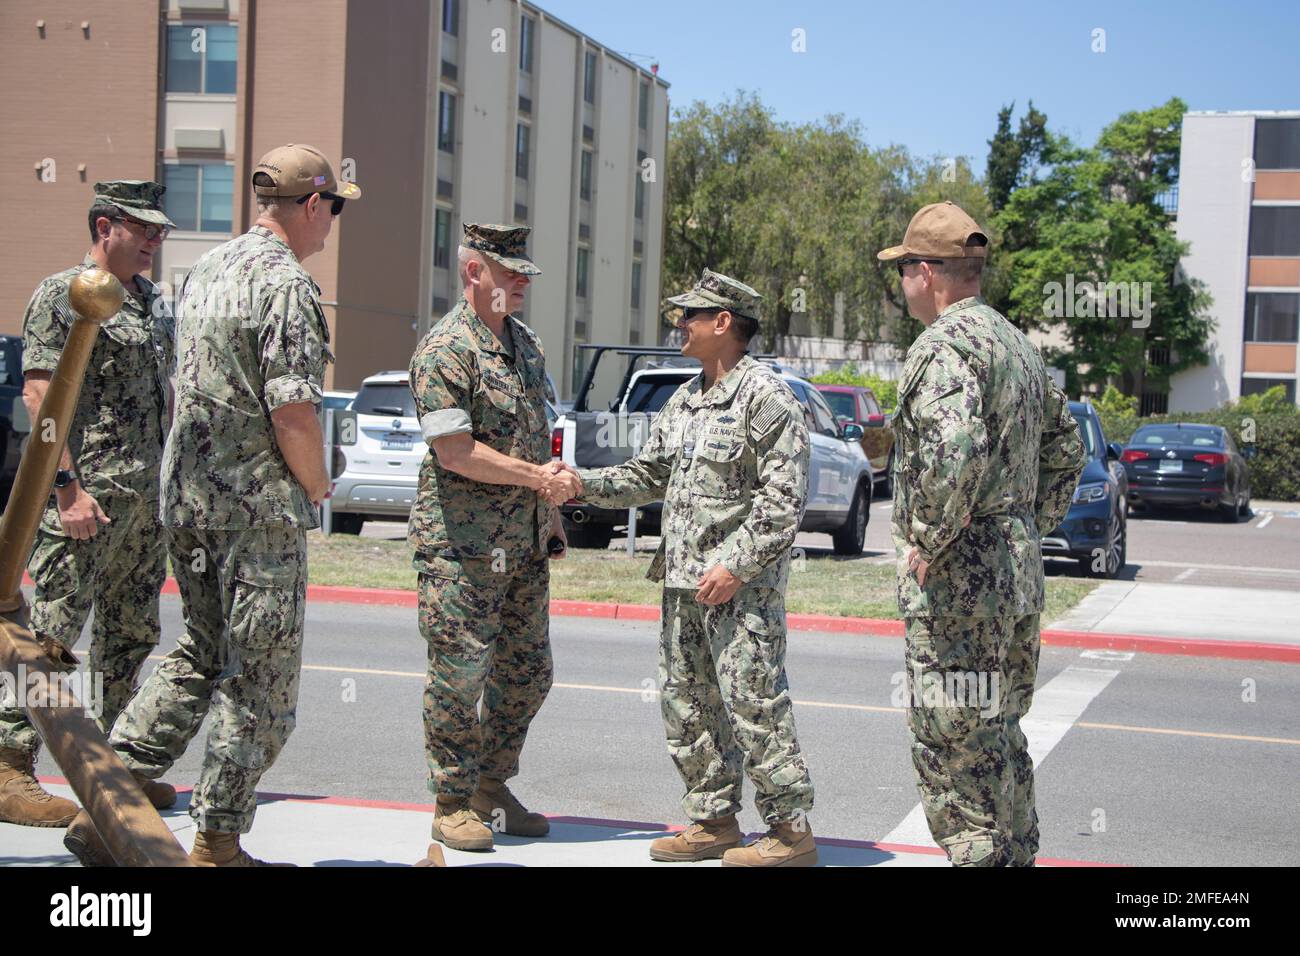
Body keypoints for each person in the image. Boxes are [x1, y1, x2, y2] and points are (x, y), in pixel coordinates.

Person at [63, 144, 358, 867]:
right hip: (255, 509)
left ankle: (107, 801)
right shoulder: (286, 284)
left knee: (199, 653)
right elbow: (291, 408)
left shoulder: (207, 270)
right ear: (313, 205)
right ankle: (219, 843)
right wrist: (318, 485)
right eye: (336, 209)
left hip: (188, 497)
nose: (332, 226)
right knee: (259, 679)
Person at [568, 269, 818, 867]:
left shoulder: (767, 397)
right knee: (687, 705)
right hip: (682, 582)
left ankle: (791, 832)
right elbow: (645, 476)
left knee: (754, 705)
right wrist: (579, 484)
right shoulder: (686, 398)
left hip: (740, 590)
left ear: (724, 322)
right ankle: (713, 820)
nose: (680, 325)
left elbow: (781, 504)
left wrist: (735, 566)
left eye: (691, 316)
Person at [880, 200, 1086, 866]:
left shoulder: (944, 346)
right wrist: (1025, 528)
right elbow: (1068, 447)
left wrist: (929, 546)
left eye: (905, 268)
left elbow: (956, 450)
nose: (902, 282)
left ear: (929, 272)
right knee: (997, 735)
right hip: (1013, 575)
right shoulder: (1016, 345)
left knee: (952, 744)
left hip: (959, 585)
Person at [0, 181, 177, 828]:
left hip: (142, 504)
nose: (157, 240)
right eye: (144, 228)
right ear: (106, 226)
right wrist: (65, 488)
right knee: (49, 634)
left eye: (161, 230)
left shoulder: (152, 301)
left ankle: (111, 768)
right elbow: (42, 397)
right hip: (87, 498)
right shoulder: (65, 293)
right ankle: (7, 761)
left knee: (130, 637)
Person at [410, 222, 577, 860]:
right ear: (472, 272)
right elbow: (454, 451)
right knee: (459, 675)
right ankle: (450, 804)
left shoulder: (526, 345)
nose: (520, 284)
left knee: (529, 672)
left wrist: (550, 514)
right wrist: (537, 478)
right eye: (508, 273)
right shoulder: (445, 349)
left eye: (525, 275)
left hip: (524, 544)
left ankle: (489, 787)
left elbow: (538, 433)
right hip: (462, 549)